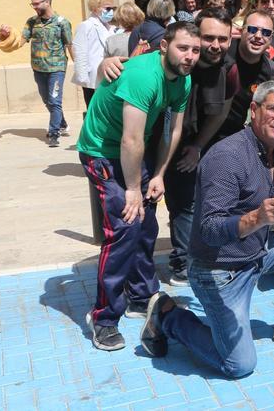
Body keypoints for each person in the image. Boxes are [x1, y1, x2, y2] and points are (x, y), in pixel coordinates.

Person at [140, 81, 274, 377]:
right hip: (219, 270)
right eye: (273, 109)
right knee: (238, 365)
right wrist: (257, 218)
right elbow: (209, 229)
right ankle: (168, 316)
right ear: (254, 110)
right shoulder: (227, 157)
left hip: (257, 253)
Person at [76, 21, 200, 350]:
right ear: (164, 47)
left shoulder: (183, 81)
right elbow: (131, 138)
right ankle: (103, 317)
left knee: (145, 225)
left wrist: (158, 174)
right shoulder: (144, 76)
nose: (189, 56)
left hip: (133, 155)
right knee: (124, 225)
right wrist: (132, 189)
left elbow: (172, 131)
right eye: (182, 48)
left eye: (195, 50)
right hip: (101, 153)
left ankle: (140, 296)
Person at [162, 9, 238, 286]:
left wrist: (197, 146)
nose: (215, 45)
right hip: (155, 137)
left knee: (187, 201)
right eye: (208, 38)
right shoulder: (174, 58)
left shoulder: (229, 69)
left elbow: (219, 113)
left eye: (222, 39)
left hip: (192, 139)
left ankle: (184, 262)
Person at [17, 0, 75, 146]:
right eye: (32, 4)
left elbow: (69, 44)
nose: (34, 7)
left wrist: (77, 65)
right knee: (48, 100)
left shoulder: (62, 22)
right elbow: (20, 41)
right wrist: (3, 40)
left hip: (56, 68)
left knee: (55, 100)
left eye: (36, 3)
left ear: (47, 2)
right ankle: (62, 123)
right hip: (38, 68)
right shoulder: (31, 22)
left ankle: (53, 133)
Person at [214, 10, 274, 142]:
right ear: (241, 31)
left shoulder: (270, 70)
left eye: (266, 33)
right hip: (202, 130)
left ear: (271, 39)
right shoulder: (222, 53)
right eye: (252, 29)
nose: (258, 36)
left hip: (234, 137)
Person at [71, 0, 118, 106]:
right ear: (96, 8)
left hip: (110, 74)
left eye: (113, 8)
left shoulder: (112, 28)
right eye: (107, 8)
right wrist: (83, 79)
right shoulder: (86, 26)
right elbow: (80, 53)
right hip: (93, 78)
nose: (111, 12)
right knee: (94, 110)